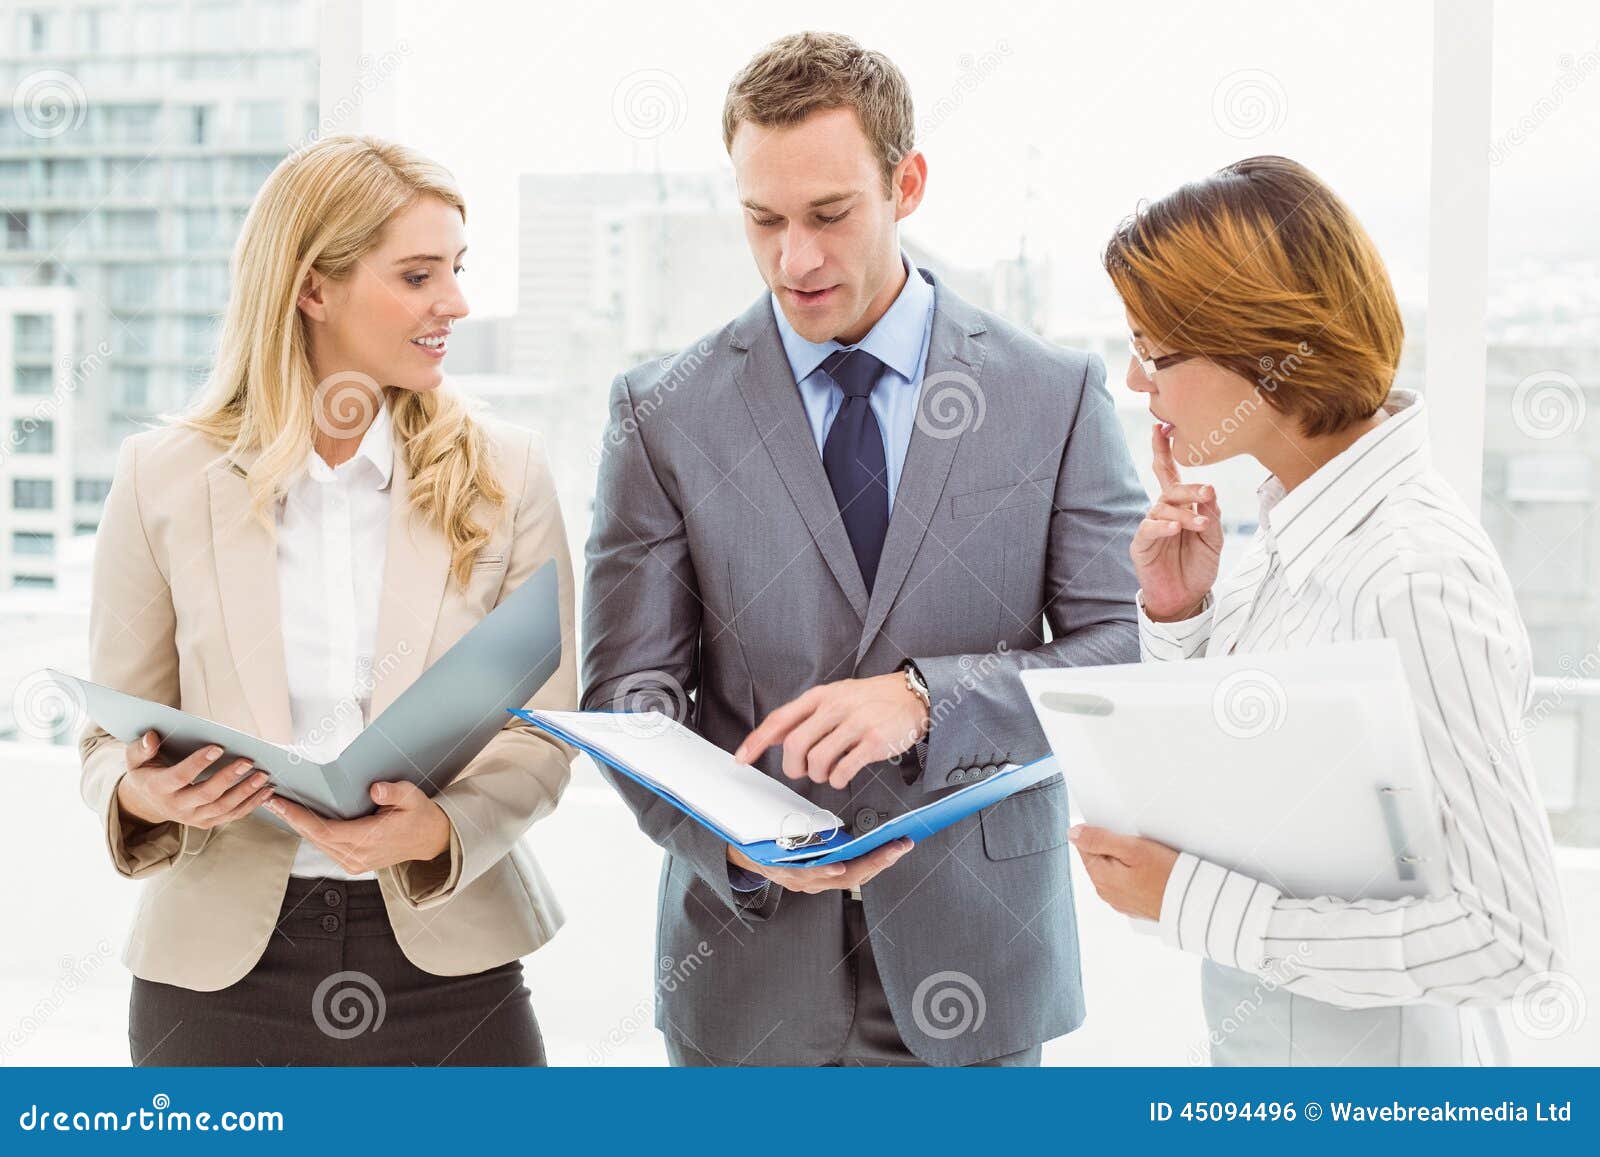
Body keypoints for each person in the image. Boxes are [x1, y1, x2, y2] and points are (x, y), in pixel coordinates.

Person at [582, 31, 1147, 1066]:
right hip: (745, 980)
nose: (795, 257)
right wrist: (742, 851)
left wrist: (927, 699)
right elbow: (631, 698)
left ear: (908, 182)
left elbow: (1113, 655)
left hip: (980, 971)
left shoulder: (1052, 394)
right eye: (764, 219)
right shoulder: (661, 410)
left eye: (830, 215)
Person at [77, 135, 578, 1066]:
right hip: (219, 978)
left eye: (457, 271)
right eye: (419, 275)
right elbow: (108, 736)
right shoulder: (161, 478)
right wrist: (144, 792)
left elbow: (545, 727)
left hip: (450, 960)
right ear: (314, 287)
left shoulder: (509, 472)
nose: (455, 303)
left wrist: (443, 826)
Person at [1070, 154, 1569, 1065]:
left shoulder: (1411, 577)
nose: (1139, 385)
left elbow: (1510, 938)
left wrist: (1190, 902)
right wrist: (1180, 615)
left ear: (1261, 350)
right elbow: (1232, 802)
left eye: (1155, 353)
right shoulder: (1285, 542)